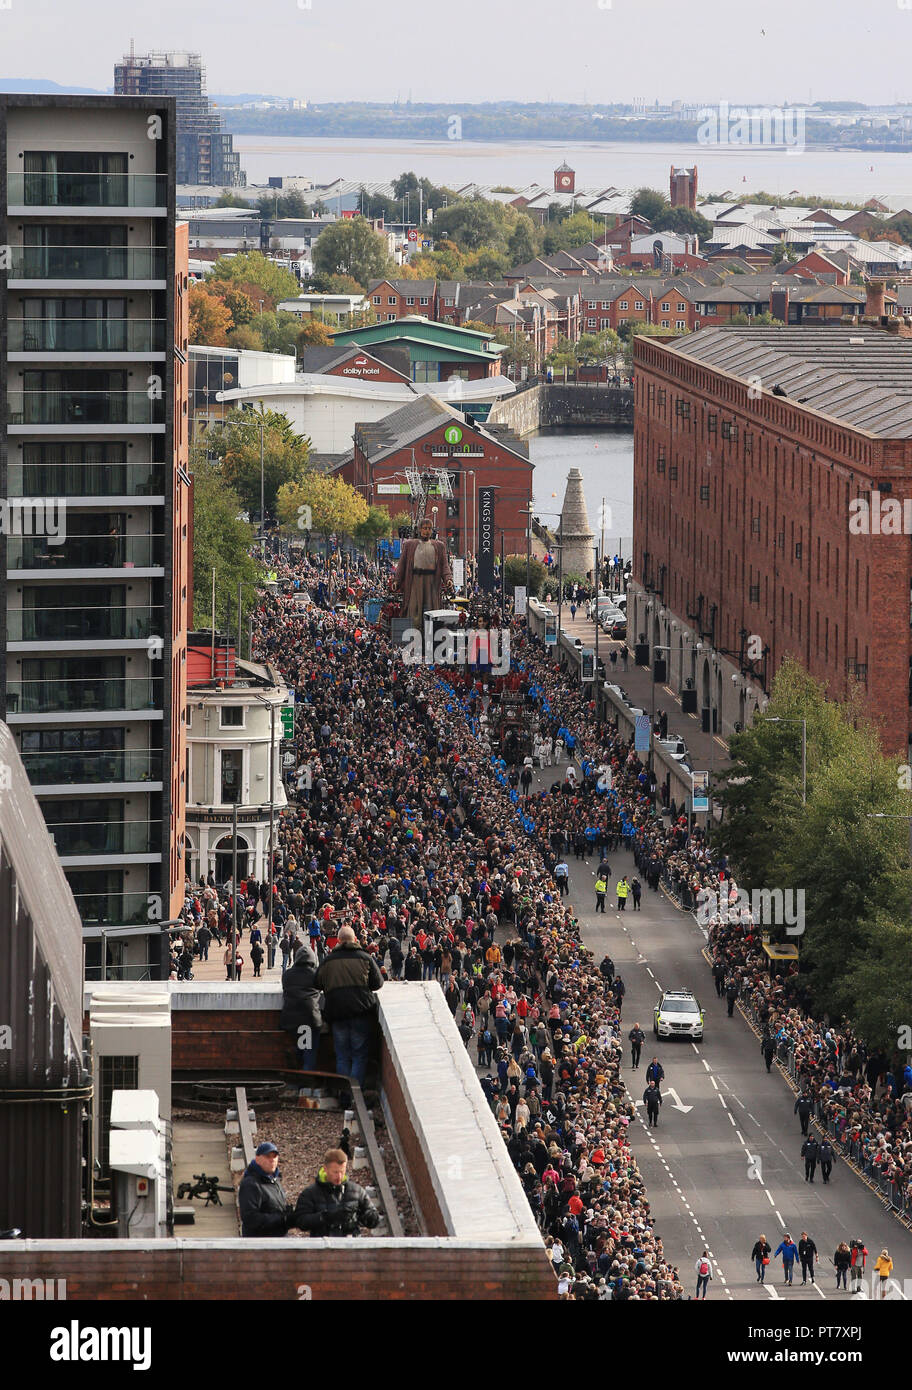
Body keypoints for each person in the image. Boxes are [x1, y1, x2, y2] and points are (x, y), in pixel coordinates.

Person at [315, 924, 383, 1087]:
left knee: (342, 1055)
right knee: (359, 1055)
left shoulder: (328, 960)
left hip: (337, 1013)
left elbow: (316, 983)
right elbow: (377, 983)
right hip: (361, 1011)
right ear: (354, 939)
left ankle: (344, 1092)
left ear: (338, 941)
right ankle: (355, 1093)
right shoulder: (365, 957)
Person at [293, 1148, 381, 1237]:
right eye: (335, 1172)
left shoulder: (356, 1191)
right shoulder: (310, 1193)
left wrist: (364, 1217)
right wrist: (325, 1217)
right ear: (325, 1169)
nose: (339, 1176)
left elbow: (374, 1219)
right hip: (322, 1246)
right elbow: (300, 1221)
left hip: (351, 1246)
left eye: (342, 1172)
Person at [392, 516, 453, 627]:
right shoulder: (409, 545)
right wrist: (397, 581)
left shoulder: (439, 546)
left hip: (432, 581)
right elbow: (402, 565)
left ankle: (432, 632)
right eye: (424, 528)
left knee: (432, 608)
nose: (427, 531)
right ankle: (415, 631)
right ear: (419, 529)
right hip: (415, 580)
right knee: (414, 608)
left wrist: (448, 579)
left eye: (429, 528)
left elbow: (445, 565)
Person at [280, 943, 323, 1073]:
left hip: (291, 1017)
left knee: (302, 1044)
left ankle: (296, 1052)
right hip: (310, 1017)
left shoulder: (287, 975)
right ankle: (306, 1082)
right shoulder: (316, 974)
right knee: (309, 1051)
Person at [238, 1141, 292, 1237]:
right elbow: (250, 1219)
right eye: (268, 1156)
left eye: (274, 1156)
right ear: (258, 1159)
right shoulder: (250, 1184)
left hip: (279, 1240)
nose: (272, 1160)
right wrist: (281, 1219)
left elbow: (273, 1207)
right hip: (260, 1244)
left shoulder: (274, 1180)